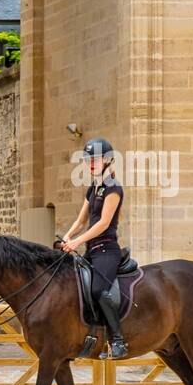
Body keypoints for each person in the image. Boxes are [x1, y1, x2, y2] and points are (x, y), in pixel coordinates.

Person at [60, 137, 127, 359]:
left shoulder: (113, 188)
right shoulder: (94, 188)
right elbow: (81, 221)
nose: (90, 163)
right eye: (88, 160)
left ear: (107, 160)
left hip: (107, 249)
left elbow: (103, 223)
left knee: (99, 290)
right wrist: (67, 237)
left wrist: (77, 242)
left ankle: (118, 341)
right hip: (92, 250)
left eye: (95, 159)